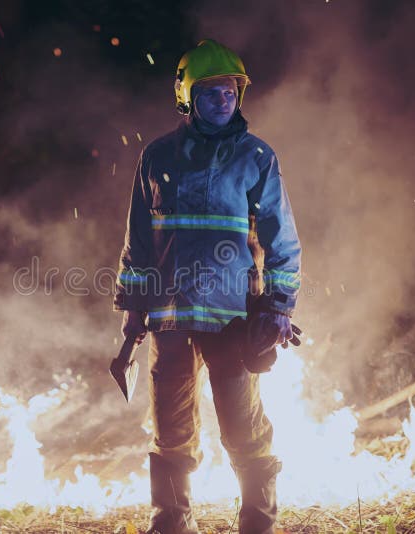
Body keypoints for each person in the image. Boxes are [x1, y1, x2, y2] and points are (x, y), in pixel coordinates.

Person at [113, 39, 302, 534]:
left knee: (243, 429)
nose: (223, 101)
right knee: (171, 433)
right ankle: (171, 524)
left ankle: (258, 524)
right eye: (211, 92)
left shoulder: (257, 157)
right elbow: (138, 241)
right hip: (169, 317)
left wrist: (279, 307)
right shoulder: (156, 156)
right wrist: (132, 311)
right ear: (187, 97)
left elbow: (281, 239)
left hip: (233, 317)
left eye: (230, 92)